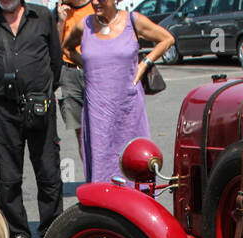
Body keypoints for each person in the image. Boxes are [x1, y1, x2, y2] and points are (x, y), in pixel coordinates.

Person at [0, 0, 63, 238]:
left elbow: (55, 61)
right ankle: (17, 233)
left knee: (48, 171)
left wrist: (42, 89)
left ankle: (51, 231)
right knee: (8, 175)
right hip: (4, 109)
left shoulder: (43, 16)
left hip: (40, 105)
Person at [64, 0, 173, 183]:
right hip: (97, 107)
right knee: (101, 158)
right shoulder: (85, 25)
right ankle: (103, 206)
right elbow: (66, 48)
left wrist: (145, 64)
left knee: (134, 156)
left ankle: (136, 206)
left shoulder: (133, 20)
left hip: (128, 105)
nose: (96, 2)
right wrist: (88, 65)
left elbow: (167, 39)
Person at [56, 0, 94, 165]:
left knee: (101, 129)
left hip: (94, 71)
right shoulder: (60, 12)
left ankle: (105, 175)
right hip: (70, 73)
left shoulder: (96, 6)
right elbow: (56, 47)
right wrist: (61, 21)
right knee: (81, 133)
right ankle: (90, 177)